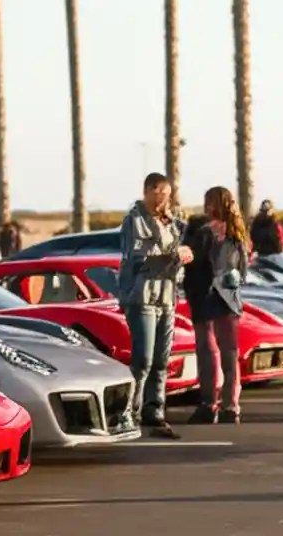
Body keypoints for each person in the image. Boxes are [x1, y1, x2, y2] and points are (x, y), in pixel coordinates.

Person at [117, 173, 193, 439]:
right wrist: (173, 256)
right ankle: (131, 412)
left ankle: (155, 410)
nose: (162, 200)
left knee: (161, 359)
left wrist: (182, 258)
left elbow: (175, 259)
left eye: (167, 194)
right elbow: (139, 257)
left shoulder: (172, 222)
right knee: (143, 360)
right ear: (147, 192)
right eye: (158, 193)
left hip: (167, 297)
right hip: (142, 297)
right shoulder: (134, 220)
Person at [183, 187, 249, 425]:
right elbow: (243, 270)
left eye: (208, 202)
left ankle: (209, 404)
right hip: (228, 297)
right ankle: (231, 405)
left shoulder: (203, 233)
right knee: (230, 353)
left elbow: (191, 262)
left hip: (204, 296)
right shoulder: (236, 233)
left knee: (207, 352)